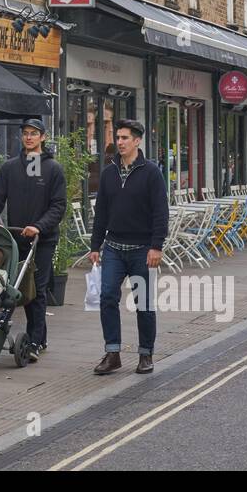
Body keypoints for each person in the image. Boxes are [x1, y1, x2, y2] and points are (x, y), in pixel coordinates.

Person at [88, 119, 169, 376]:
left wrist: (156, 246)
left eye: (124, 138)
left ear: (137, 141)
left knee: (143, 302)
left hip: (142, 248)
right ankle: (113, 353)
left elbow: (160, 212)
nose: (119, 142)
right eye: (118, 137)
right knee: (107, 297)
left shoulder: (151, 172)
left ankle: (146, 354)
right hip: (113, 247)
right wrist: (95, 245)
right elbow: (101, 212)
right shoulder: (108, 173)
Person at [0, 118, 66, 362]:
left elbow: (58, 206)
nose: (29, 137)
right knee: (18, 289)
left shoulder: (53, 169)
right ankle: (39, 337)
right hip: (15, 237)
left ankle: (33, 342)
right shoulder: (10, 168)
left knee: (36, 290)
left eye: (34, 133)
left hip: (43, 239)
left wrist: (38, 226)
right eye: (25, 133)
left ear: (42, 137)